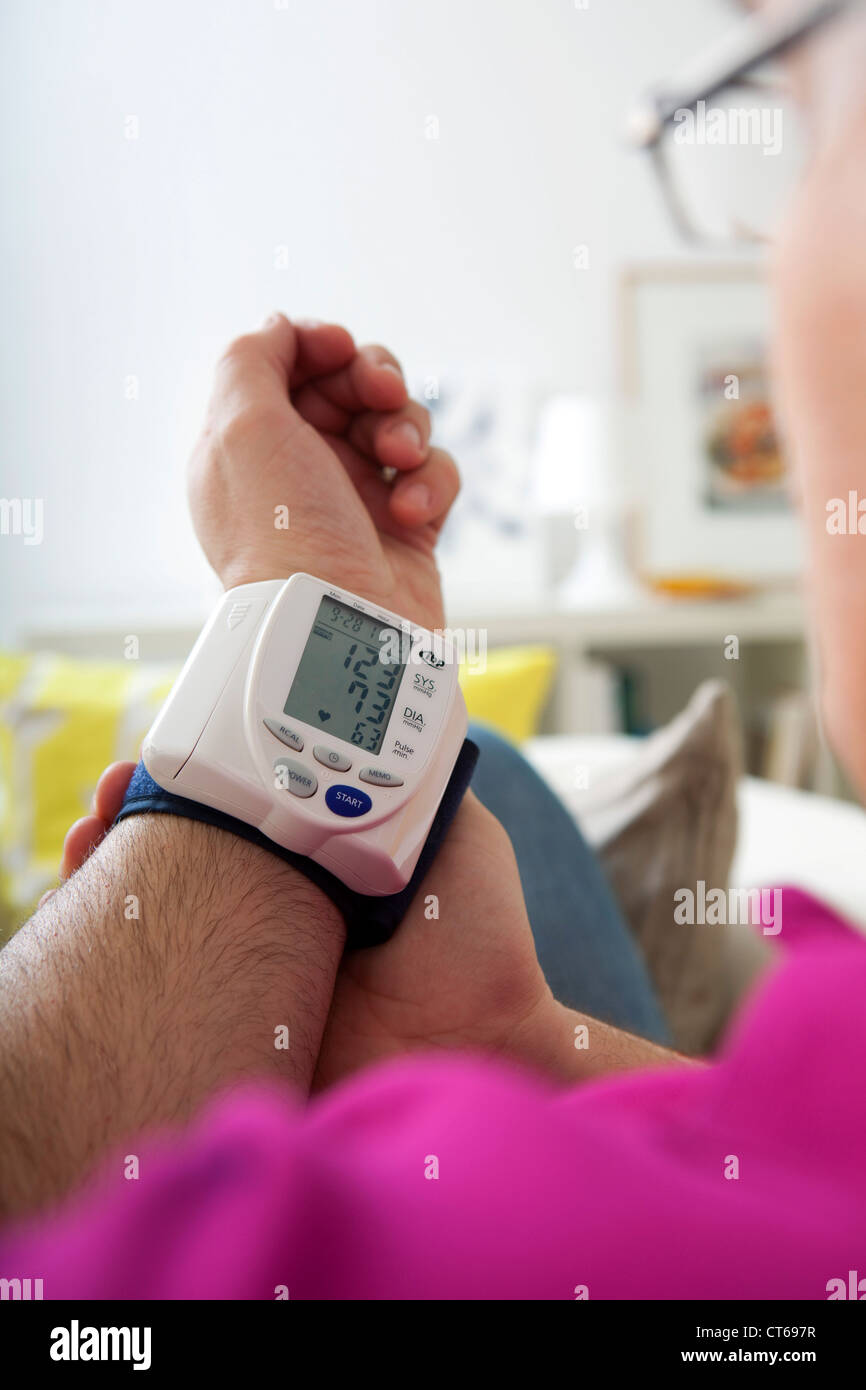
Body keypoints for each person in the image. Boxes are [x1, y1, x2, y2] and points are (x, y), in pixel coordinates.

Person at [1, 0, 865, 1298]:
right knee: (490, 775)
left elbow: (42, 1263)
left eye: (795, 117)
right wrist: (512, 1032)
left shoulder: (431, 1239)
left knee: (493, 771)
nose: (762, 248)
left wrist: (305, 592)